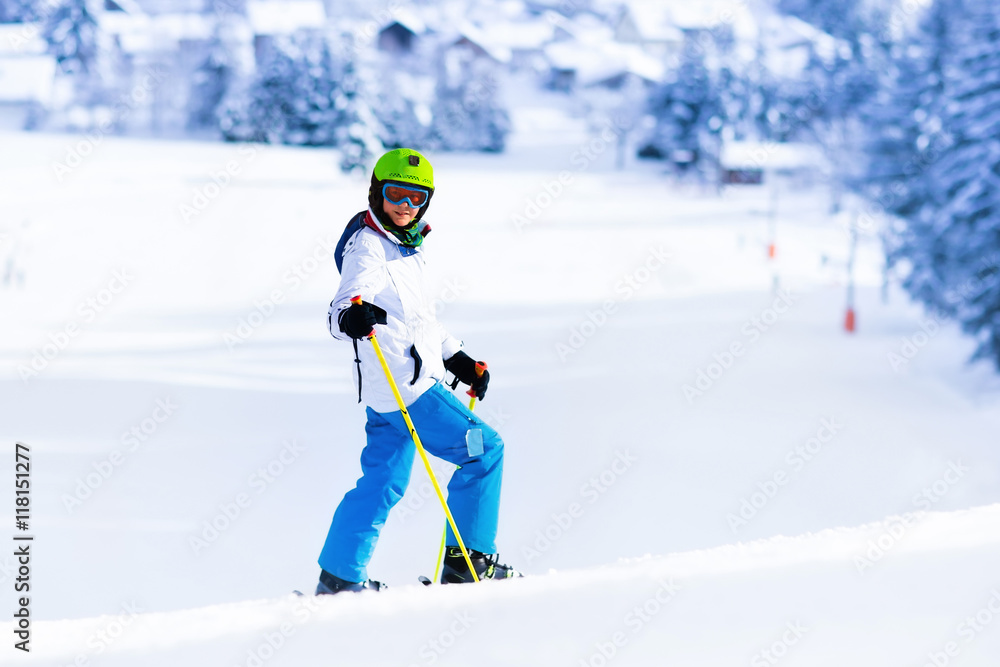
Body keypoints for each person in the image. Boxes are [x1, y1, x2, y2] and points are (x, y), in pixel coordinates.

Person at [316, 148, 520, 594]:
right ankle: (470, 564)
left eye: (416, 198)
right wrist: (350, 318)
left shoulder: (405, 245)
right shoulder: (370, 245)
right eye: (396, 195)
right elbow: (341, 307)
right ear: (377, 192)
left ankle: (339, 576)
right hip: (408, 388)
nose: (405, 207)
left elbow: (418, 320)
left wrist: (457, 357)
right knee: (484, 451)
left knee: (384, 481)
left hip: (387, 389)